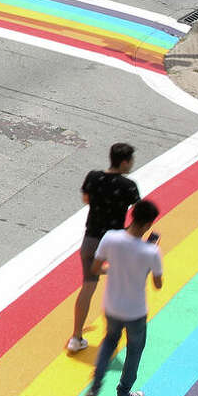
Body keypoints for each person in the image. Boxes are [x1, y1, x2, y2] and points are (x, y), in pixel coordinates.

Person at [84, 199, 163, 396]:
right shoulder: (151, 252)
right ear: (148, 225)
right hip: (135, 312)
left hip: (111, 307)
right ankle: (123, 395)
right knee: (134, 351)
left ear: (132, 215)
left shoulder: (110, 238)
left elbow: (95, 268)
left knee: (109, 341)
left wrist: (115, 269)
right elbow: (158, 285)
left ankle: (96, 384)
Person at [69, 141, 138, 353]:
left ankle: (76, 337)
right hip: (115, 243)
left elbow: (86, 199)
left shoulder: (93, 177)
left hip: (90, 240)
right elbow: (139, 217)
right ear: (124, 162)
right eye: (131, 161)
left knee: (88, 286)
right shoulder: (128, 186)